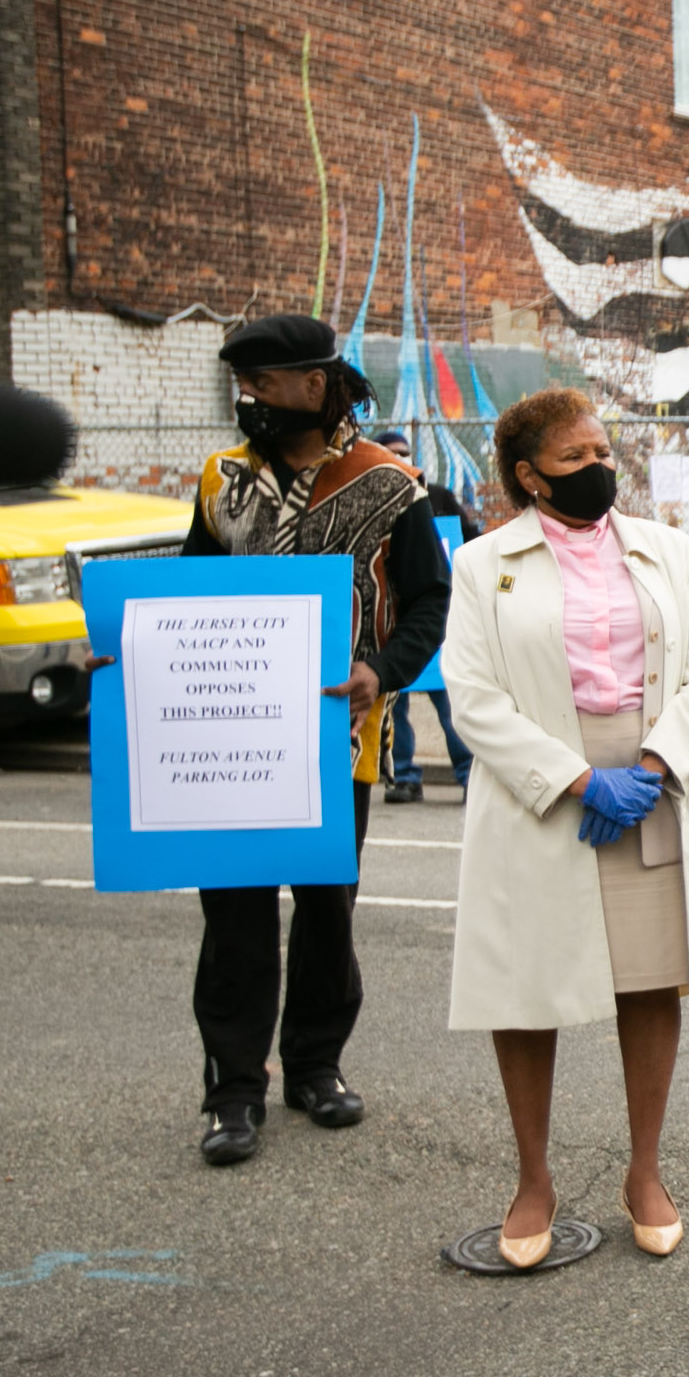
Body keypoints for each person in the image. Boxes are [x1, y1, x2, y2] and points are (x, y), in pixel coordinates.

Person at [441, 388, 689, 1268]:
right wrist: (576, 779)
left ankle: (644, 1171)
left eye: (605, 452)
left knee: (650, 984)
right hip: (547, 787)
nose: (599, 468)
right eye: (576, 460)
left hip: (652, 776)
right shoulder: (483, 563)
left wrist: (651, 768)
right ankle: (533, 1181)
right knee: (528, 990)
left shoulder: (666, 551)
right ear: (530, 476)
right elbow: (474, 699)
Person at [178, 314, 449, 1167]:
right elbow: (186, 592)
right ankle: (231, 1090)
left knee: (327, 909)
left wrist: (382, 668)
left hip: (341, 740)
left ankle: (315, 1066)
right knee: (233, 912)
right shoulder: (222, 480)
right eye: (243, 385)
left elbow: (430, 601)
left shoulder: (390, 484)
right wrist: (132, 650)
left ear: (315, 383)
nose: (249, 399)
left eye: (263, 382)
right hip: (229, 741)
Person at [370, 429, 479, 802]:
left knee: (449, 704)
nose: (399, 458)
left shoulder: (439, 499)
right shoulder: (372, 503)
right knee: (395, 708)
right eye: (390, 453)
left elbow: (470, 544)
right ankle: (404, 777)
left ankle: (469, 776)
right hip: (393, 629)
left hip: (438, 625)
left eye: (404, 452)